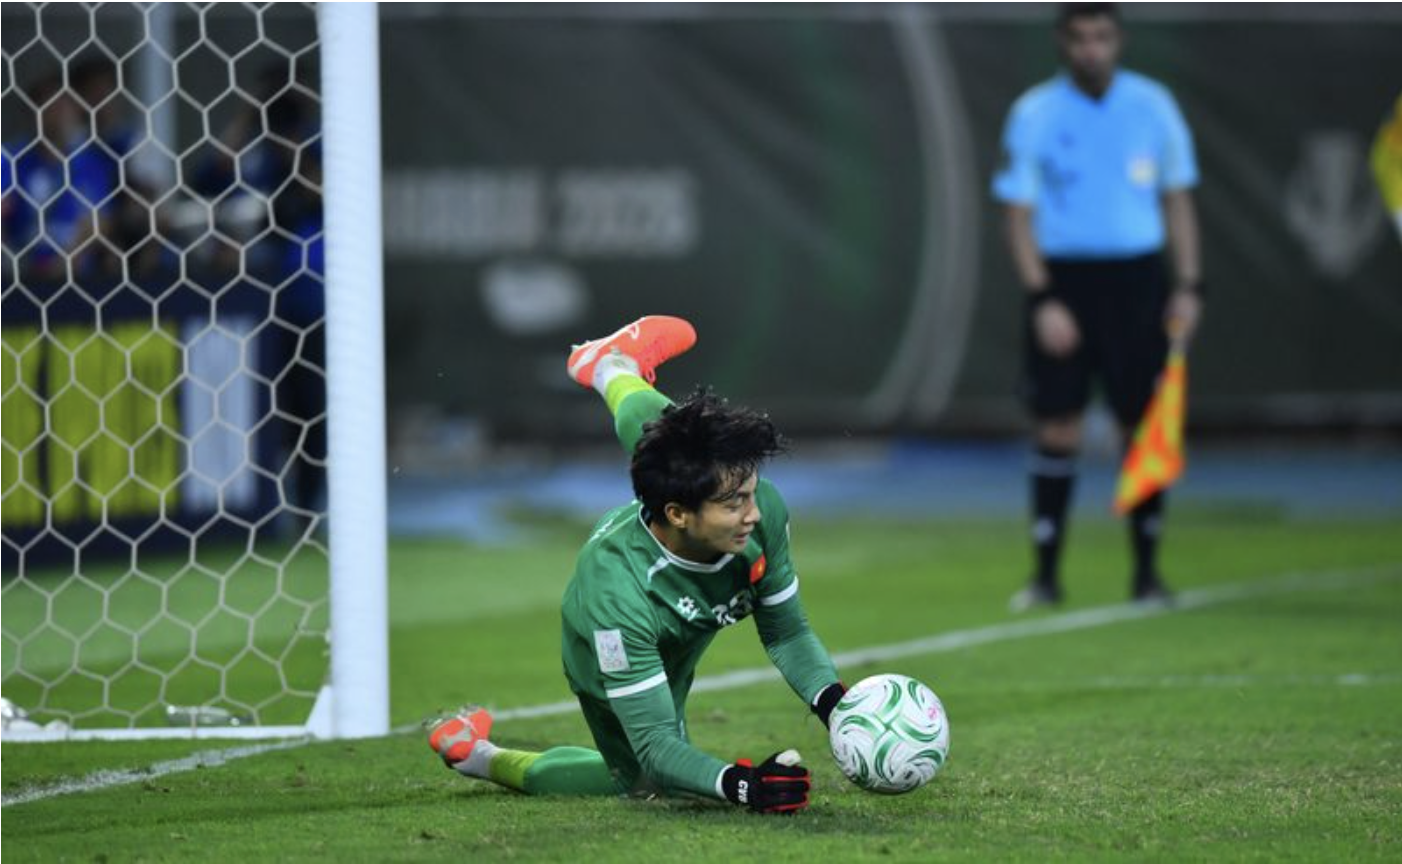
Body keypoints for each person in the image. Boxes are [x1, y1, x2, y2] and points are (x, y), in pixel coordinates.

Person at [426, 315, 846, 814]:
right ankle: (480, 757)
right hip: (611, 633)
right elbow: (658, 748)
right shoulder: (618, 597)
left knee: (678, 441)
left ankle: (610, 366)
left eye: (752, 494)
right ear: (678, 514)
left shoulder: (755, 508)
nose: (754, 514)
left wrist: (839, 711)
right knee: (647, 782)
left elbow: (786, 632)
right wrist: (744, 785)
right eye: (736, 503)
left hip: (683, 582)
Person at [991, 3, 1204, 610]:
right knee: (1057, 424)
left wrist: (1189, 285)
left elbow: (1178, 198)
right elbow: (1018, 214)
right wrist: (1043, 297)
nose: (1091, 49)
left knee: (1141, 426)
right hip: (1065, 282)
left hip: (1139, 282)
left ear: (1118, 40)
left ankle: (1147, 575)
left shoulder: (1153, 105)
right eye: (1080, 37)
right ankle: (1045, 575)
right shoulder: (1034, 112)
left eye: (1102, 37)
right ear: (1063, 42)